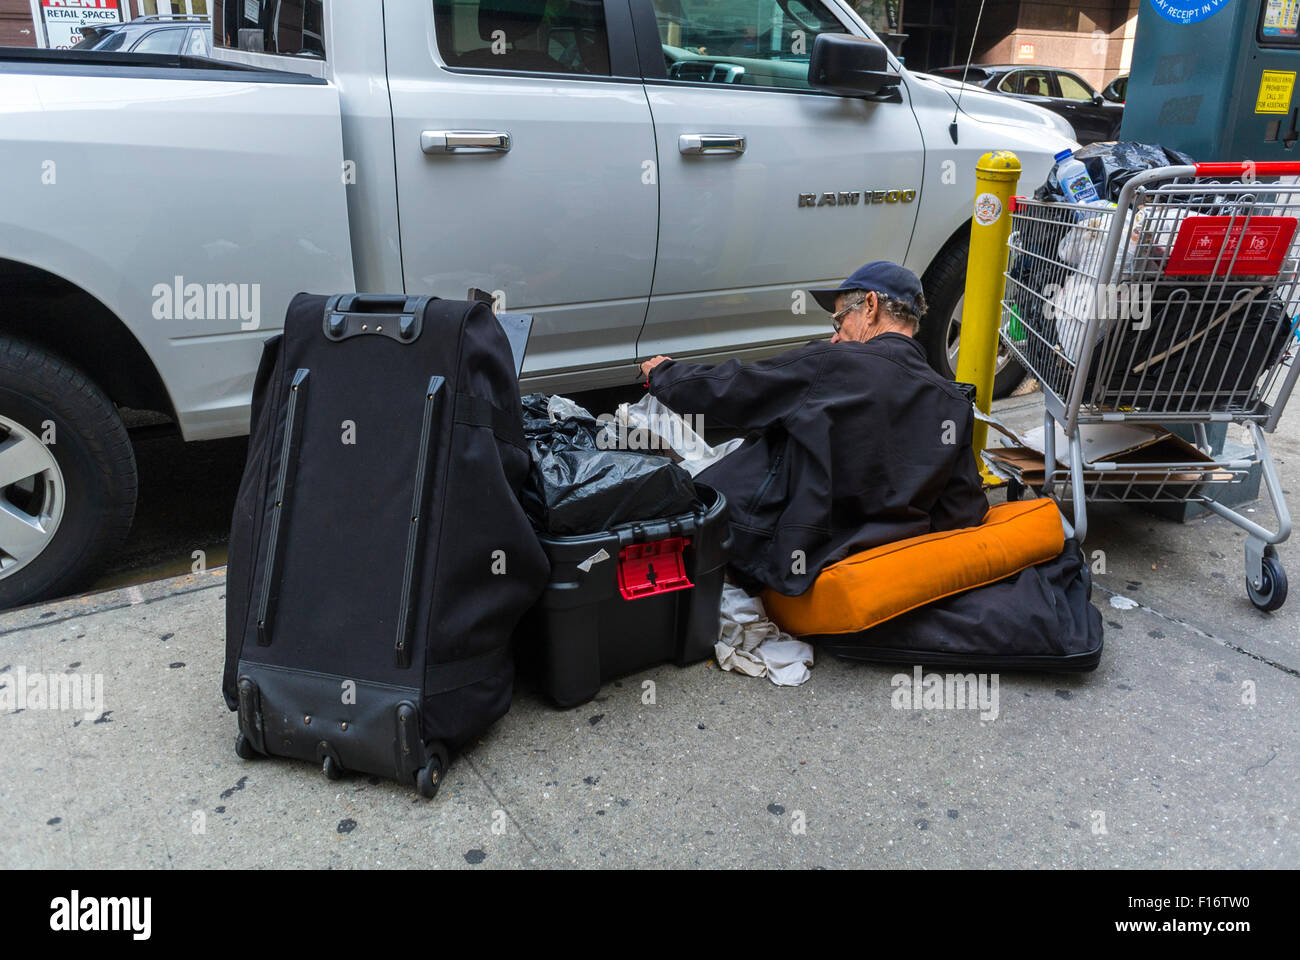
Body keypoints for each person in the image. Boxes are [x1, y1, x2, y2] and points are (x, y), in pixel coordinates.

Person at [639, 261, 988, 596]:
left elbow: (737, 388)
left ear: (870, 306)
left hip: (793, 557)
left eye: (839, 320)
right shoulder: (952, 403)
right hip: (885, 559)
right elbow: (963, 511)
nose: (835, 337)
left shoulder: (833, 364)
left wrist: (665, 374)